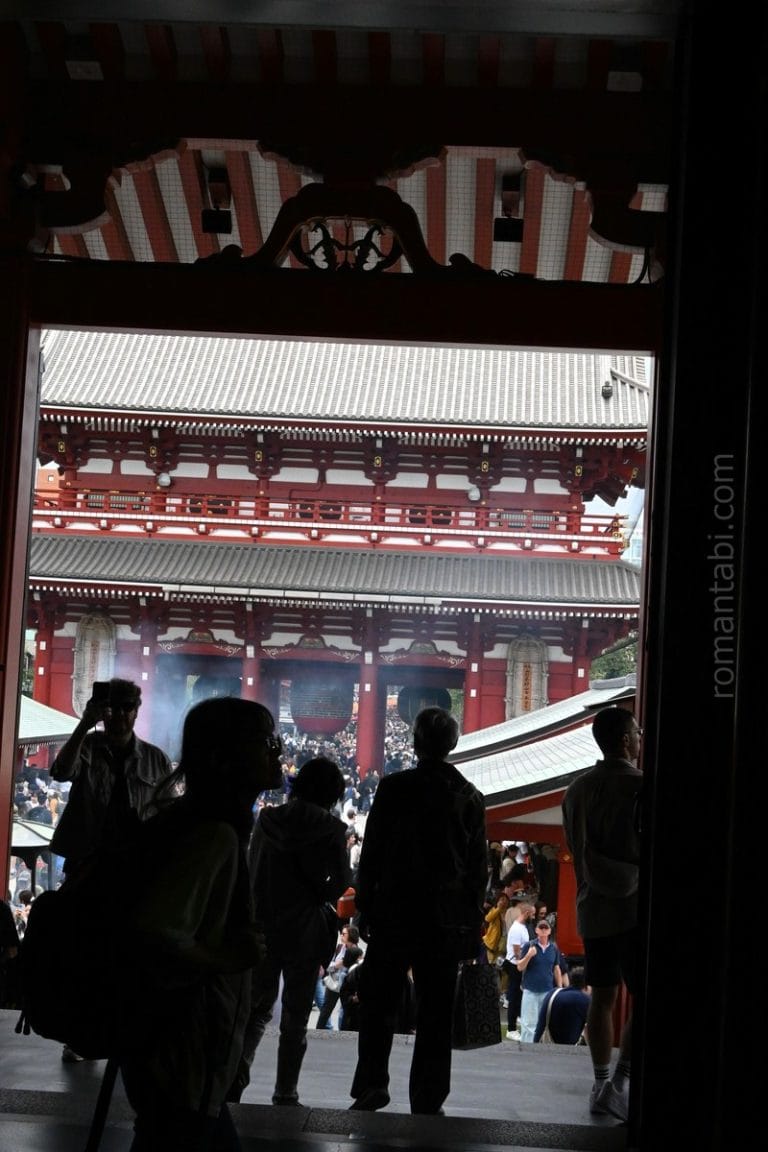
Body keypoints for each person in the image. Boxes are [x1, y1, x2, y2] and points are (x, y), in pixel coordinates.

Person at [119, 696, 284, 1151]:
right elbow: (156, 931)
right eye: (265, 742)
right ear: (223, 758)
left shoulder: (191, 824)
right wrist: (228, 956)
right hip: (183, 1047)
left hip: (175, 1049)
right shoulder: (214, 836)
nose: (278, 751)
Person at [349, 706, 487, 1116]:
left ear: (415, 742)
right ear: (452, 744)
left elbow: (371, 852)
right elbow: (477, 870)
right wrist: (471, 920)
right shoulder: (468, 796)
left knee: (379, 1003)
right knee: (435, 1009)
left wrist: (365, 905)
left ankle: (372, 1083)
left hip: (393, 910)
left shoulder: (393, 788)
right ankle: (428, 1095)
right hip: (443, 919)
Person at [230, 755, 351, 1106]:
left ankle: (235, 1078)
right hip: (305, 930)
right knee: (296, 1017)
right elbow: (341, 883)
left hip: (264, 926)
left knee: (255, 1009)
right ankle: (285, 1090)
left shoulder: (267, 820)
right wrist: (318, 893)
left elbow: (251, 872)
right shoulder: (331, 830)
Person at [561, 705, 643, 1124]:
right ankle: (621, 1082)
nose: (640, 738)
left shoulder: (577, 790)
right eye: (638, 732)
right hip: (633, 908)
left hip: (593, 907)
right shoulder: (640, 787)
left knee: (603, 996)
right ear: (627, 740)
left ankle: (599, 1080)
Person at [49, 678, 173, 879]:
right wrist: (85, 723)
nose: (120, 713)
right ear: (103, 710)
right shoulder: (86, 747)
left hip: (136, 861)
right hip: (86, 858)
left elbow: (167, 810)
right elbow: (61, 772)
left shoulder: (156, 759)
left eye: (127, 706)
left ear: (136, 711)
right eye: (113, 706)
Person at [517, 919, 564, 1042]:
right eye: (541, 928)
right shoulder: (529, 945)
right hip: (530, 990)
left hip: (547, 991)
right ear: (536, 930)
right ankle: (527, 1049)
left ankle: (540, 1048)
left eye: (546, 928)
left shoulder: (554, 948)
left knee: (545, 1023)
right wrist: (529, 955)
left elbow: (556, 968)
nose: (543, 930)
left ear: (549, 931)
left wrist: (559, 988)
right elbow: (520, 967)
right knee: (528, 1024)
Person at [315, 924, 363, 1031]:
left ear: (351, 935)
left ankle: (343, 1033)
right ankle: (318, 1031)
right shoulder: (339, 948)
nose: (341, 935)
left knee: (345, 1012)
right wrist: (337, 965)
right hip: (333, 985)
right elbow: (328, 965)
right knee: (325, 1011)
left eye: (344, 934)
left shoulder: (358, 952)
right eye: (341, 933)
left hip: (347, 987)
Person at [533, 966, 590, 1044]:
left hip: (542, 1044)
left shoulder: (553, 992)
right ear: (587, 986)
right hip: (565, 1050)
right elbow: (591, 1031)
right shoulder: (584, 1000)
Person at [504, 901, 535, 1040]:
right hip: (515, 965)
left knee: (518, 995)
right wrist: (523, 964)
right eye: (533, 914)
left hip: (518, 964)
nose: (533, 917)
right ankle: (511, 1029)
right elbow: (517, 952)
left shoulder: (522, 926)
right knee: (514, 995)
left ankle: (517, 1019)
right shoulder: (517, 928)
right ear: (527, 913)